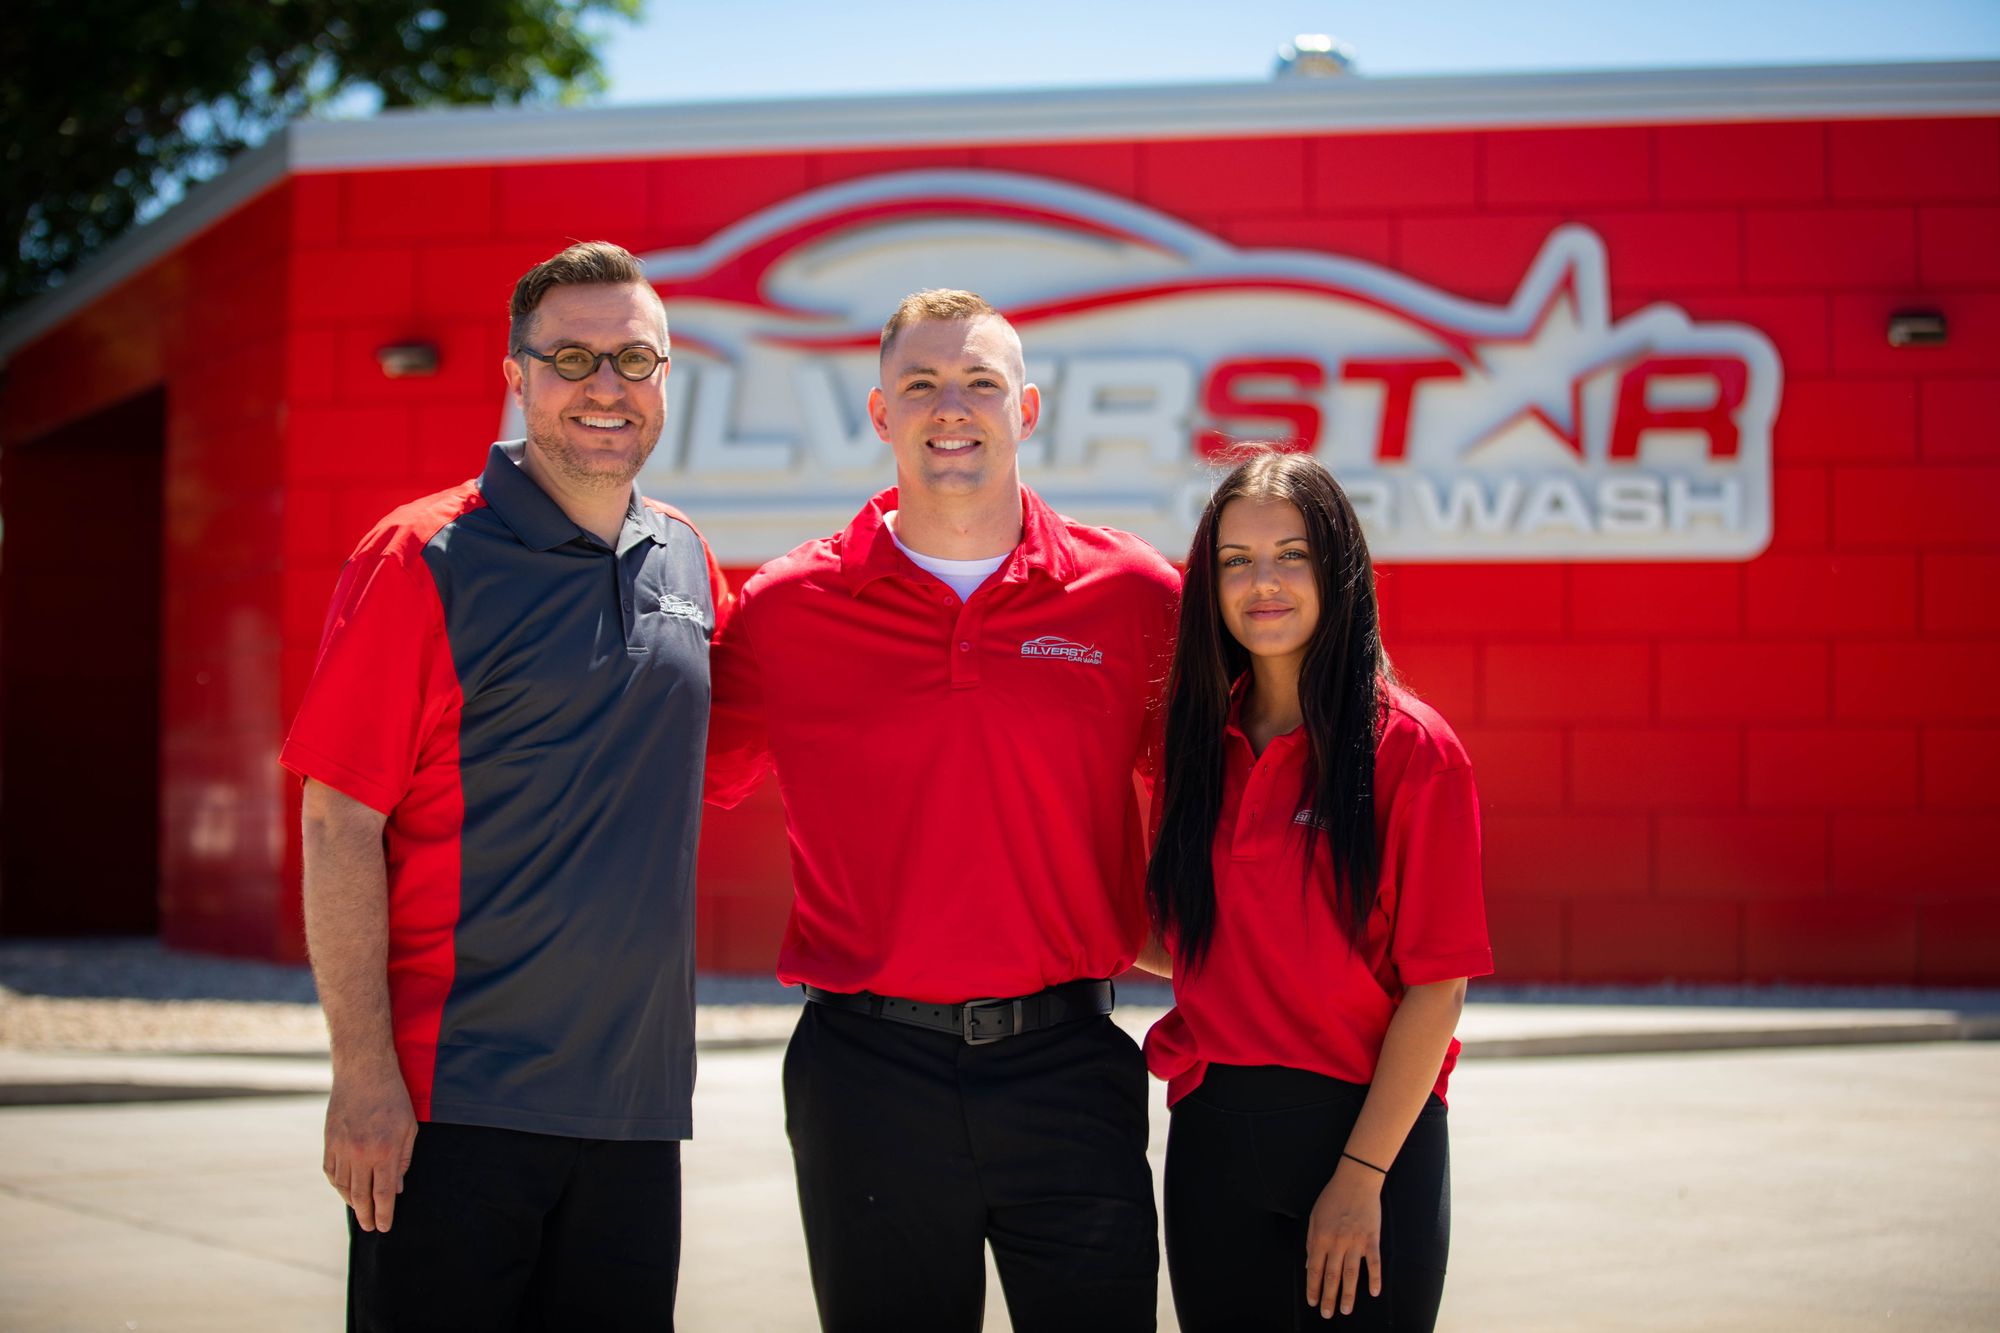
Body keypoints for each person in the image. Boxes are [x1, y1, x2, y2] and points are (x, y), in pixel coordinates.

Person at [705, 289, 1181, 1332]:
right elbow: (664, 778)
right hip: (864, 1075)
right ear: (880, 414)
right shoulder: (786, 610)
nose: (949, 406)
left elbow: (1224, 801)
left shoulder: (1134, 595)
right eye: (918, 383)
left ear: (1028, 407)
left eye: (978, 382)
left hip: (1068, 1062)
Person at [282, 241, 726, 1331]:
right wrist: (363, 1076)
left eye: (633, 358)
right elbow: (338, 821)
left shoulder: (683, 558)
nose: (604, 386)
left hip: (632, 1109)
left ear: (666, 378)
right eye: (570, 356)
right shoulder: (423, 555)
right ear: (515, 375)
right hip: (453, 1107)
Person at [1142, 450, 1491, 1332]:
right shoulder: (1194, 745)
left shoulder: (1413, 751)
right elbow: (1182, 938)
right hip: (1213, 1141)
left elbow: (1438, 987)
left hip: (1366, 1138)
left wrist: (1361, 1175)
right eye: (1236, 561)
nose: (1263, 582)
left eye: (1291, 554)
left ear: (1337, 568)